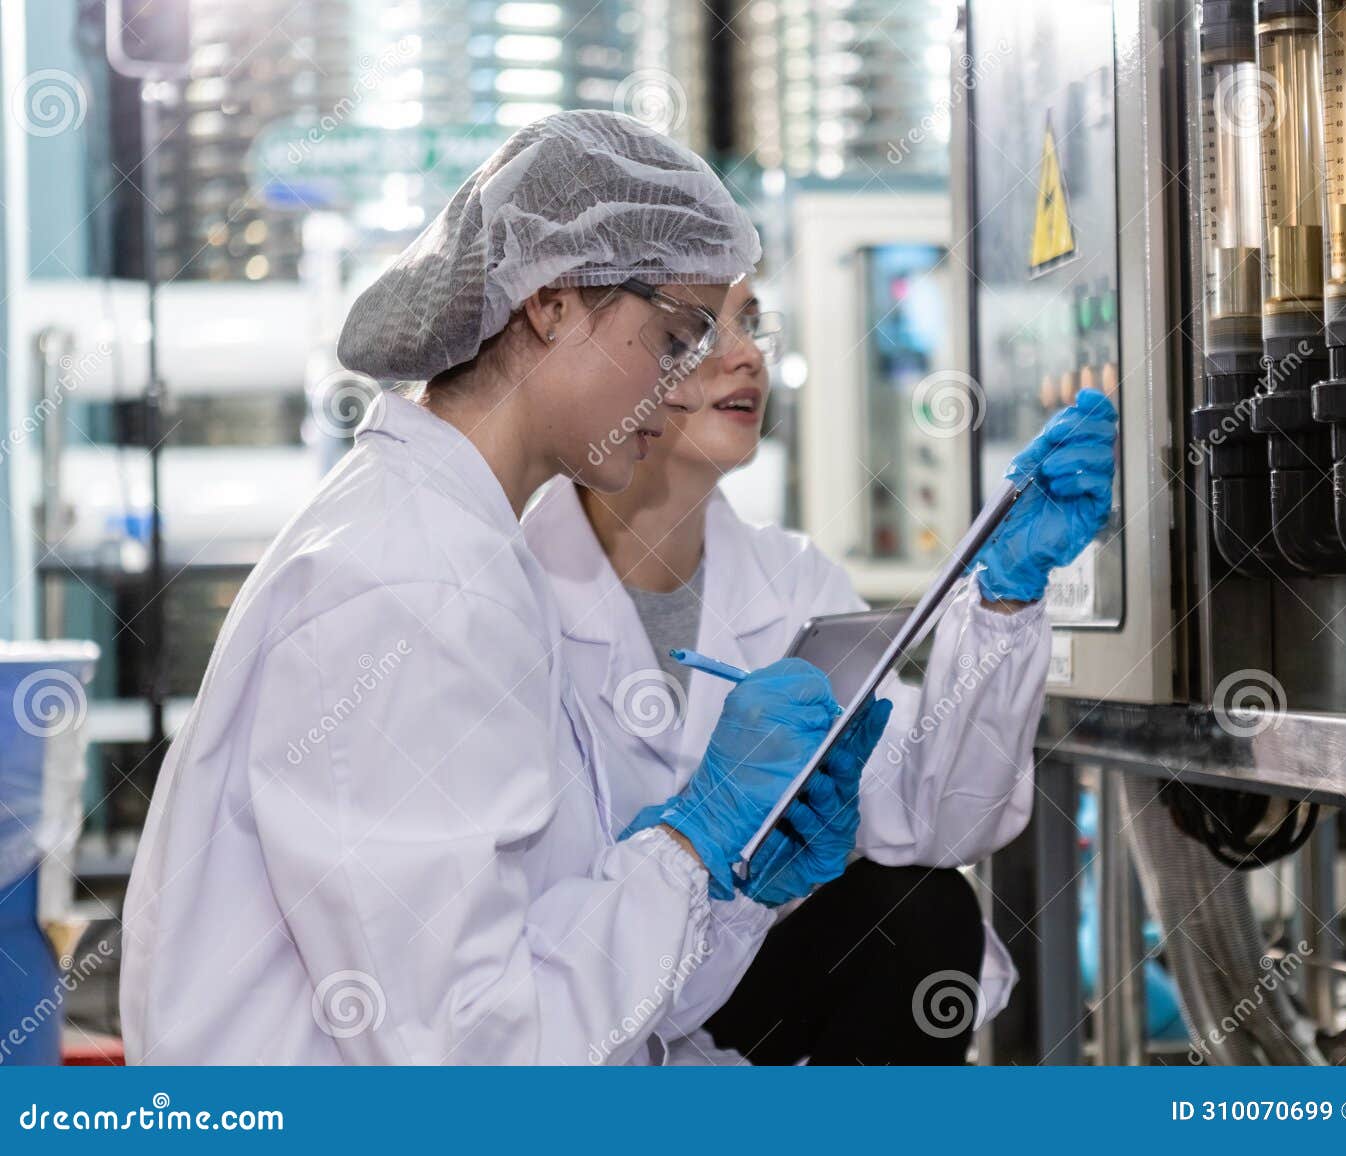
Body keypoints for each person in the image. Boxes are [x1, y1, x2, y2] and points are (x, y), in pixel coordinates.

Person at [119, 111, 883, 1065]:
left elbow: (544, 968)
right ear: (553, 303)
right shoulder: (420, 579)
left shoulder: (467, 542)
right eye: (676, 335)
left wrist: (724, 879)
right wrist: (690, 845)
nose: (687, 381)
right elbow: (469, 1055)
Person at [523, 278, 1118, 1063]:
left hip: (727, 1004)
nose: (745, 358)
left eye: (753, 324)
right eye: (698, 330)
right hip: (548, 1030)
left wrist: (1004, 600)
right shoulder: (508, 587)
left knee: (921, 910)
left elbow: (945, 824)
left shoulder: (791, 580)